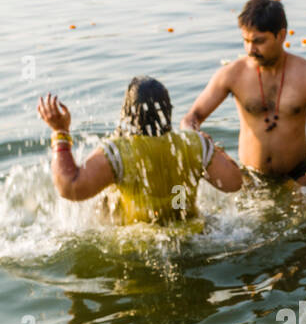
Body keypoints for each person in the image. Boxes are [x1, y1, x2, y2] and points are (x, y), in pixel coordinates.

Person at [182, 0, 306, 186]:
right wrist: (194, 135)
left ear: (281, 35)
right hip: (249, 178)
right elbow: (191, 118)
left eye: (258, 41)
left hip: (299, 177)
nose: (250, 49)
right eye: (245, 40)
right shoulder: (232, 74)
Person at [36, 76, 243, 224]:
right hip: (191, 236)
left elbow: (71, 187)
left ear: (128, 112)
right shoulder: (192, 144)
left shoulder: (118, 151)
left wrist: (60, 132)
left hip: (138, 248)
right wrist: (208, 144)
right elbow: (234, 183)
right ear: (168, 109)